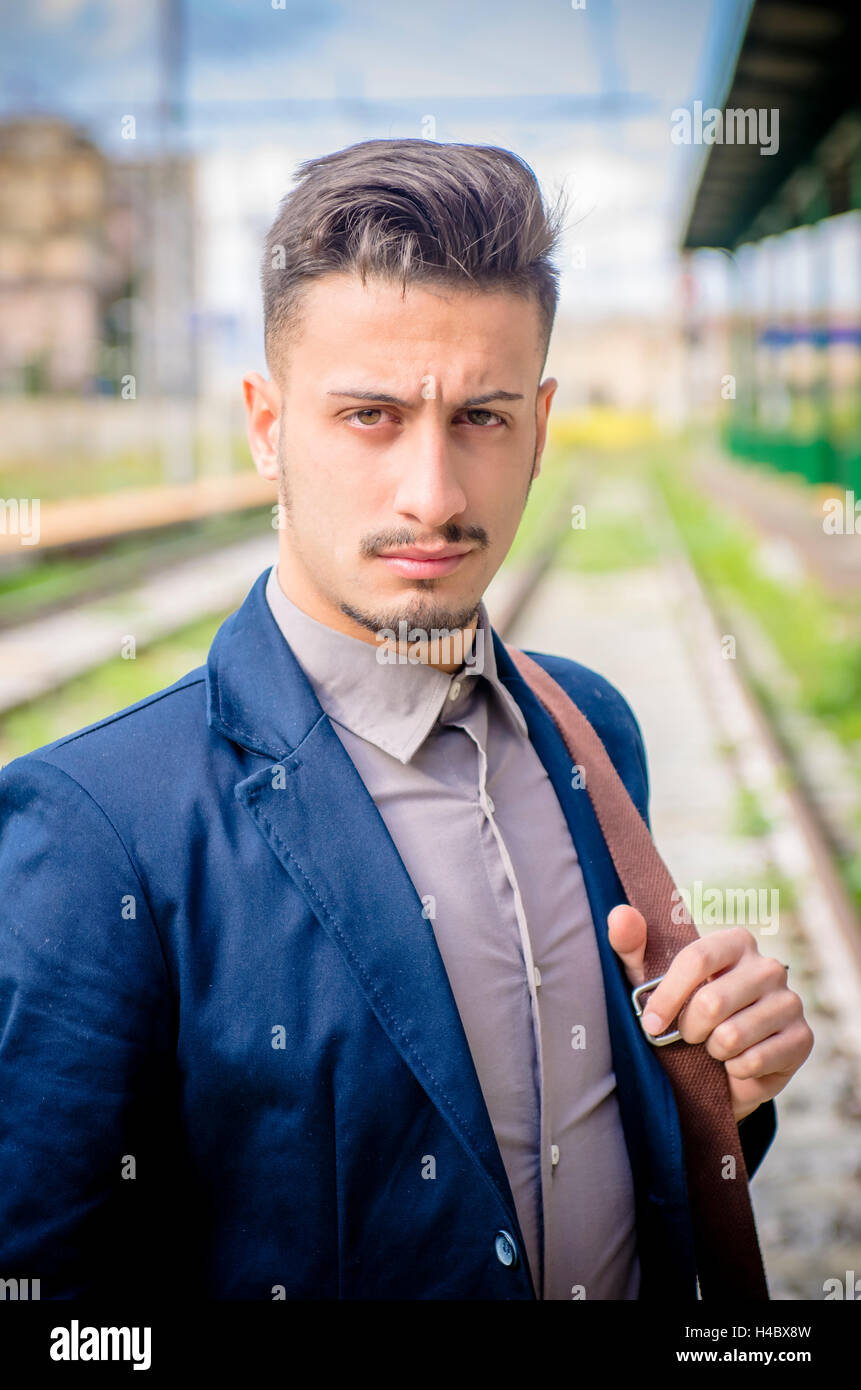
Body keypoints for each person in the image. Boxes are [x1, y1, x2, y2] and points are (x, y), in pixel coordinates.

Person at [0, 138, 812, 1301]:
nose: (431, 493)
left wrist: (727, 1087)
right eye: (371, 415)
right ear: (268, 428)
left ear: (538, 426)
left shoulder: (591, 726)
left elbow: (613, 1154)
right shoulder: (93, 832)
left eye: (480, 417)